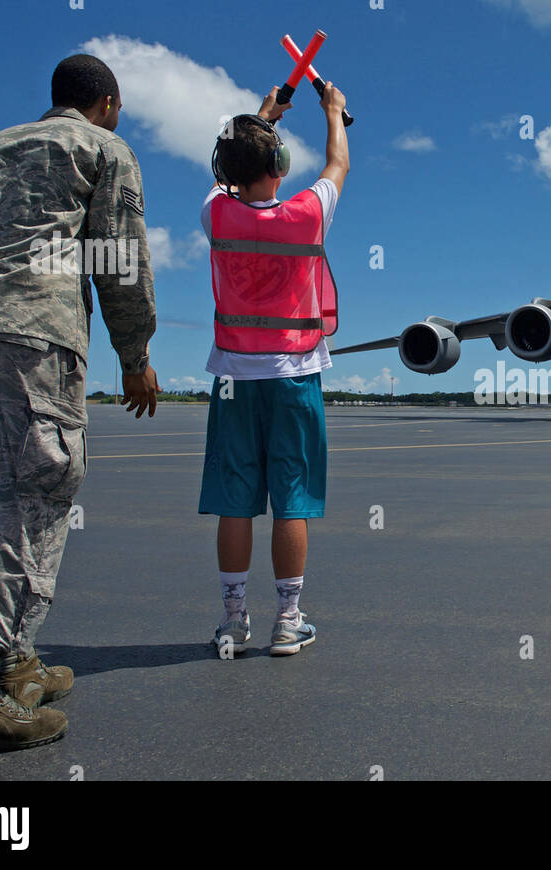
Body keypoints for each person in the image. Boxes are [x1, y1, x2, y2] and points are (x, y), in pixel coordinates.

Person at [0, 54, 158, 749]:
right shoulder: (102, 146)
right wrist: (135, 354)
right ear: (107, 103)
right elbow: (118, 257)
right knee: (33, 490)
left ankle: (14, 656)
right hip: (34, 333)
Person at [200, 82, 349, 657]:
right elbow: (338, 162)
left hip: (234, 377)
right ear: (280, 165)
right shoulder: (307, 214)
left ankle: (233, 621)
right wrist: (333, 112)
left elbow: (223, 176)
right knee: (292, 498)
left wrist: (261, 118)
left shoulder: (217, 214)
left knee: (235, 499)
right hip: (294, 374)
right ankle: (287, 620)